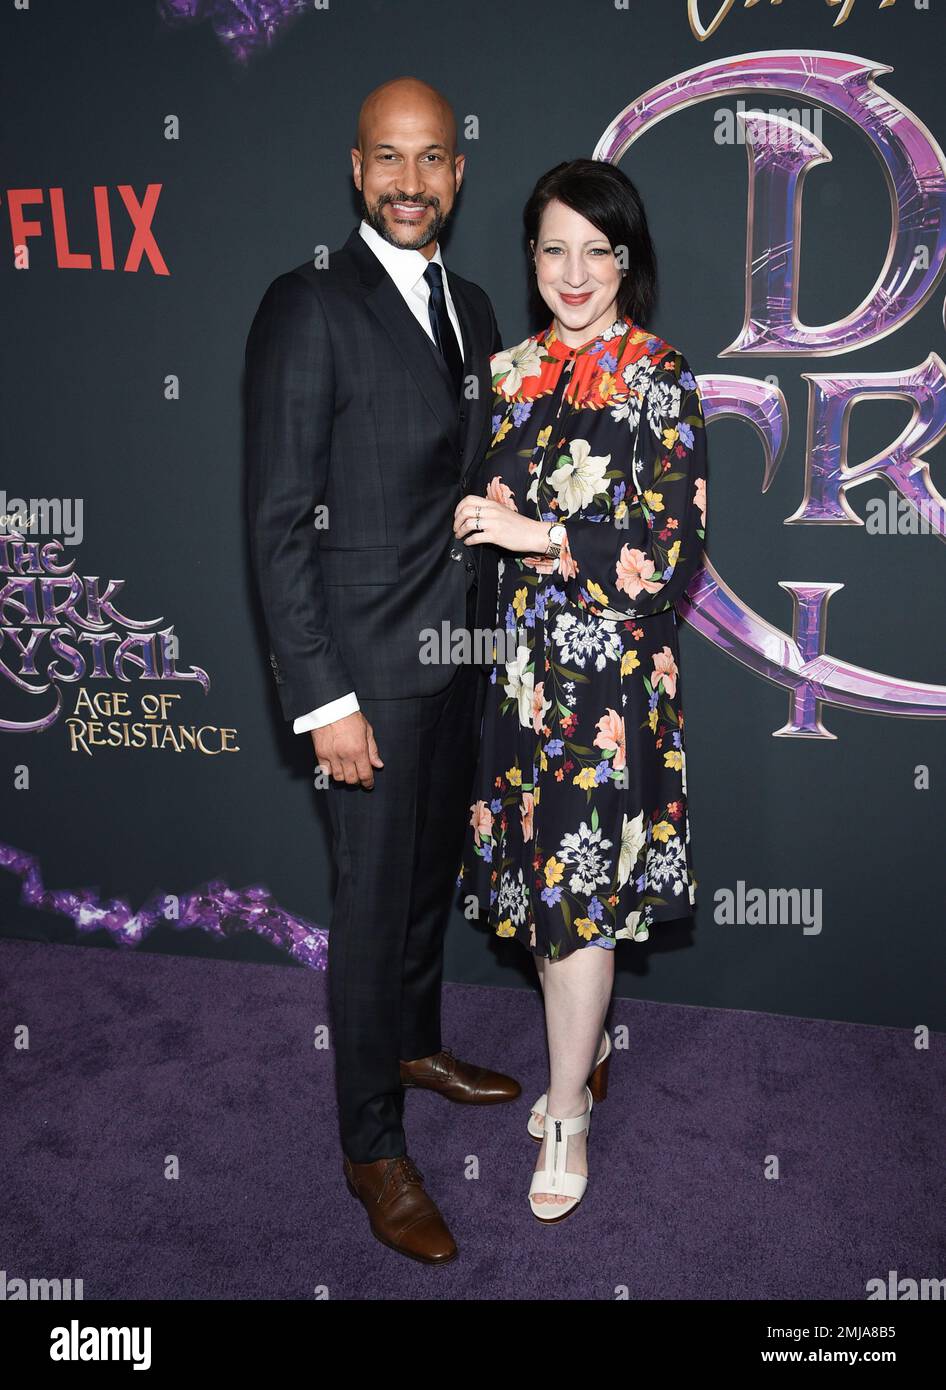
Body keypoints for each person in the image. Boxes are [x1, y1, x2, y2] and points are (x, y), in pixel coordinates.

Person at [245, 77, 519, 1266]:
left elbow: (451, 480)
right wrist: (324, 698)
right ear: (357, 173)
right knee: (366, 912)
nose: (411, 183)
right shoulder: (308, 305)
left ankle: (414, 1040)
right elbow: (275, 523)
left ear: (457, 173)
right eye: (387, 161)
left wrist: (490, 501)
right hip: (363, 677)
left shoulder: (473, 303)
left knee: (424, 884)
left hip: (459, 661)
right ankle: (371, 1145)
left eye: (432, 161)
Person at [455, 158, 708, 1222]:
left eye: (594, 250)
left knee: (580, 905)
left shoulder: (658, 374)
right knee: (546, 897)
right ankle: (584, 1053)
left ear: (625, 259)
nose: (572, 271)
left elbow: (671, 552)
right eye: (552, 247)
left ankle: (565, 1110)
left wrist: (539, 533)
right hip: (516, 680)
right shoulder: (506, 374)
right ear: (530, 256)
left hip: (606, 692)